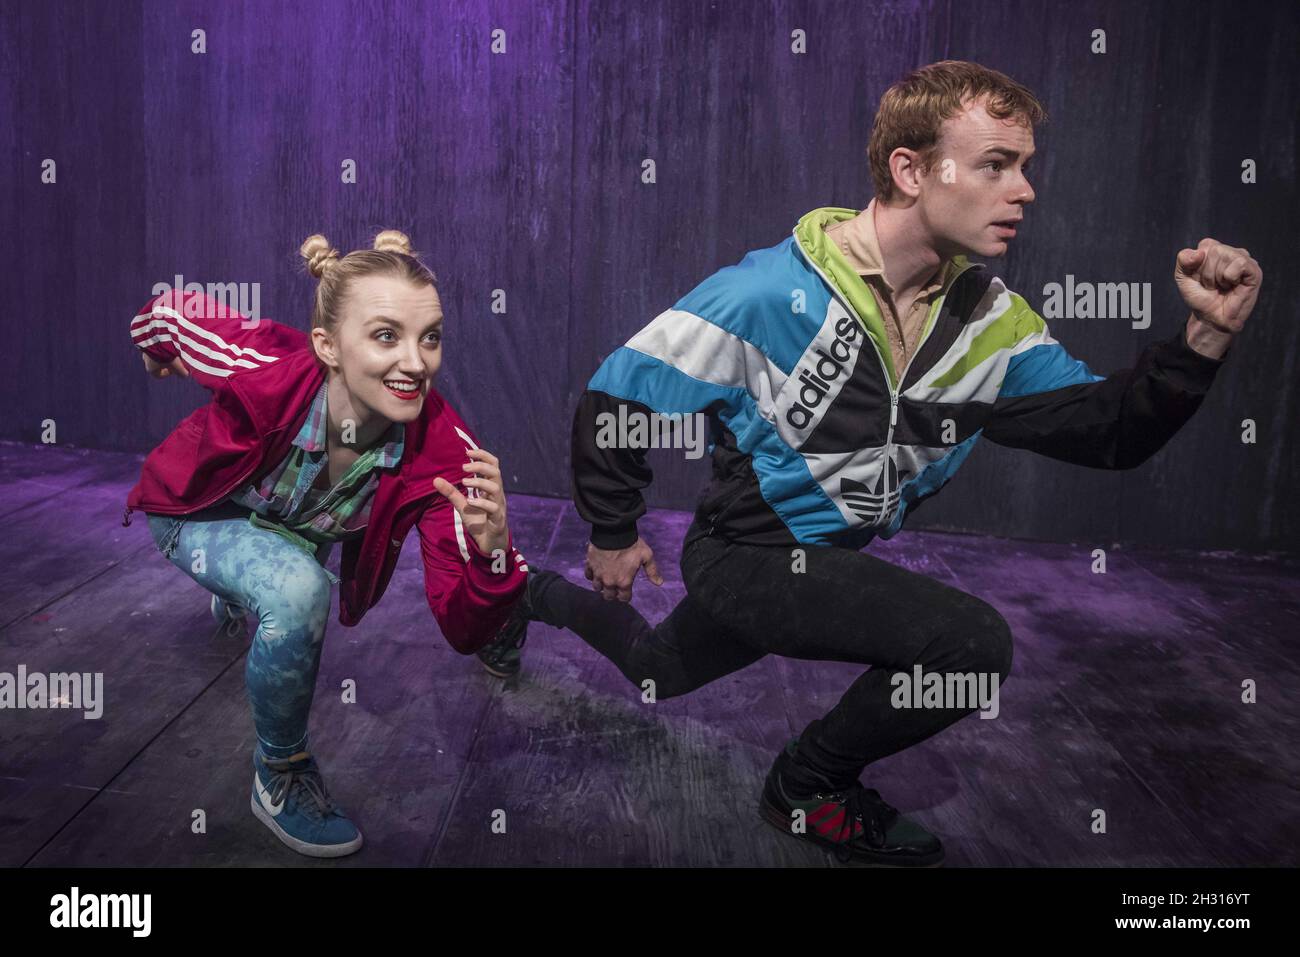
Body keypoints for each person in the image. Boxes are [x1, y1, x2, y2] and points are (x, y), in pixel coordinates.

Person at [478, 61, 1261, 866]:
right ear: (910, 169)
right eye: (997, 164)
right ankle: (807, 786)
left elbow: (1111, 431)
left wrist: (1200, 344)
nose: (1025, 189)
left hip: (826, 562)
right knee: (971, 647)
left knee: (655, 669)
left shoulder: (991, 324)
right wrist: (612, 527)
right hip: (744, 555)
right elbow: (618, 393)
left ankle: (522, 594)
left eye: (1025, 166)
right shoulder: (768, 292)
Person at [123, 230, 529, 858]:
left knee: (286, 580)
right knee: (297, 589)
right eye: (386, 336)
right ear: (328, 346)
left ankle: (247, 592)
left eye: (431, 337)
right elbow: (174, 311)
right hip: (197, 514)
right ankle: (280, 775)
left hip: (293, 533)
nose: (417, 363)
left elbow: (464, 630)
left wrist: (493, 551)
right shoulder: (265, 363)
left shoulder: (446, 454)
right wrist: (154, 354)